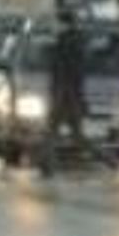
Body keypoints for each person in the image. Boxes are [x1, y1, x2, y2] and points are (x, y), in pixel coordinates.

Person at [45, 10, 88, 177]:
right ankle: (108, 161)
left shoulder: (66, 41)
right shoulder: (74, 40)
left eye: (58, 23)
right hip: (69, 92)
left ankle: (47, 165)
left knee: (53, 131)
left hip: (64, 92)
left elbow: (63, 69)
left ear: (64, 23)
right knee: (74, 132)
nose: (55, 26)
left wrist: (58, 90)